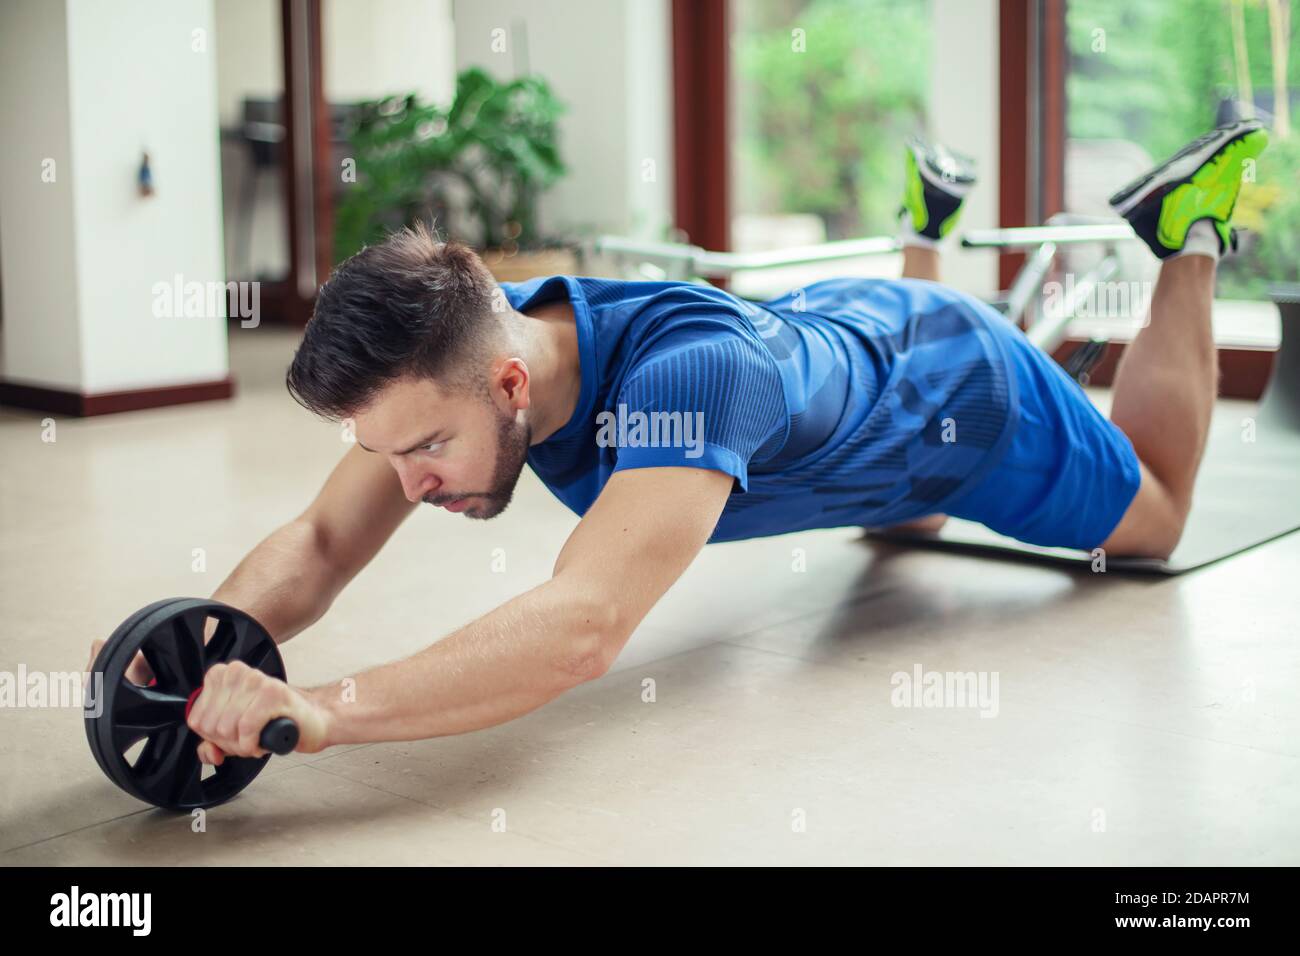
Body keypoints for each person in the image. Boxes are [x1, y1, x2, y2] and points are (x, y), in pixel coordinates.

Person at [88, 121, 1269, 763]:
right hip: (835, 337)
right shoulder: (468, 352)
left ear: (507, 382)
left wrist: (331, 708)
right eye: (391, 454)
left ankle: (1184, 231)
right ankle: (928, 227)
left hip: (956, 383)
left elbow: (582, 625)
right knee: (896, 526)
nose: (406, 484)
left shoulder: (685, 381)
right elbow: (317, 541)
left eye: (424, 452)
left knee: (1151, 518)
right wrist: (197, 648)